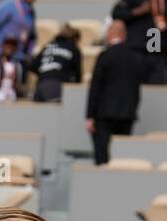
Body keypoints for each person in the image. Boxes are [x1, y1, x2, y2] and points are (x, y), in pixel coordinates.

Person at [87, 19, 145, 165]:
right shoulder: (136, 58)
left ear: (110, 33)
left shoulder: (105, 56)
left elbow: (96, 87)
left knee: (102, 157)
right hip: (127, 114)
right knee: (121, 159)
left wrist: (90, 115)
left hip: (104, 114)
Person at [28, 23, 80, 102]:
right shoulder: (73, 49)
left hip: (40, 86)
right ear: (74, 38)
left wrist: (45, 72)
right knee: (53, 114)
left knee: (36, 113)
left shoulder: (48, 46)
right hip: (56, 87)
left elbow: (33, 66)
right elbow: (78, 74)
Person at [0, 0, 34, 65]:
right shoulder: (9, 4)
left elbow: (32, 36)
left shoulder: (30, 10)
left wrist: (28, 54)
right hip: (0, 55)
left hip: (17, 58)